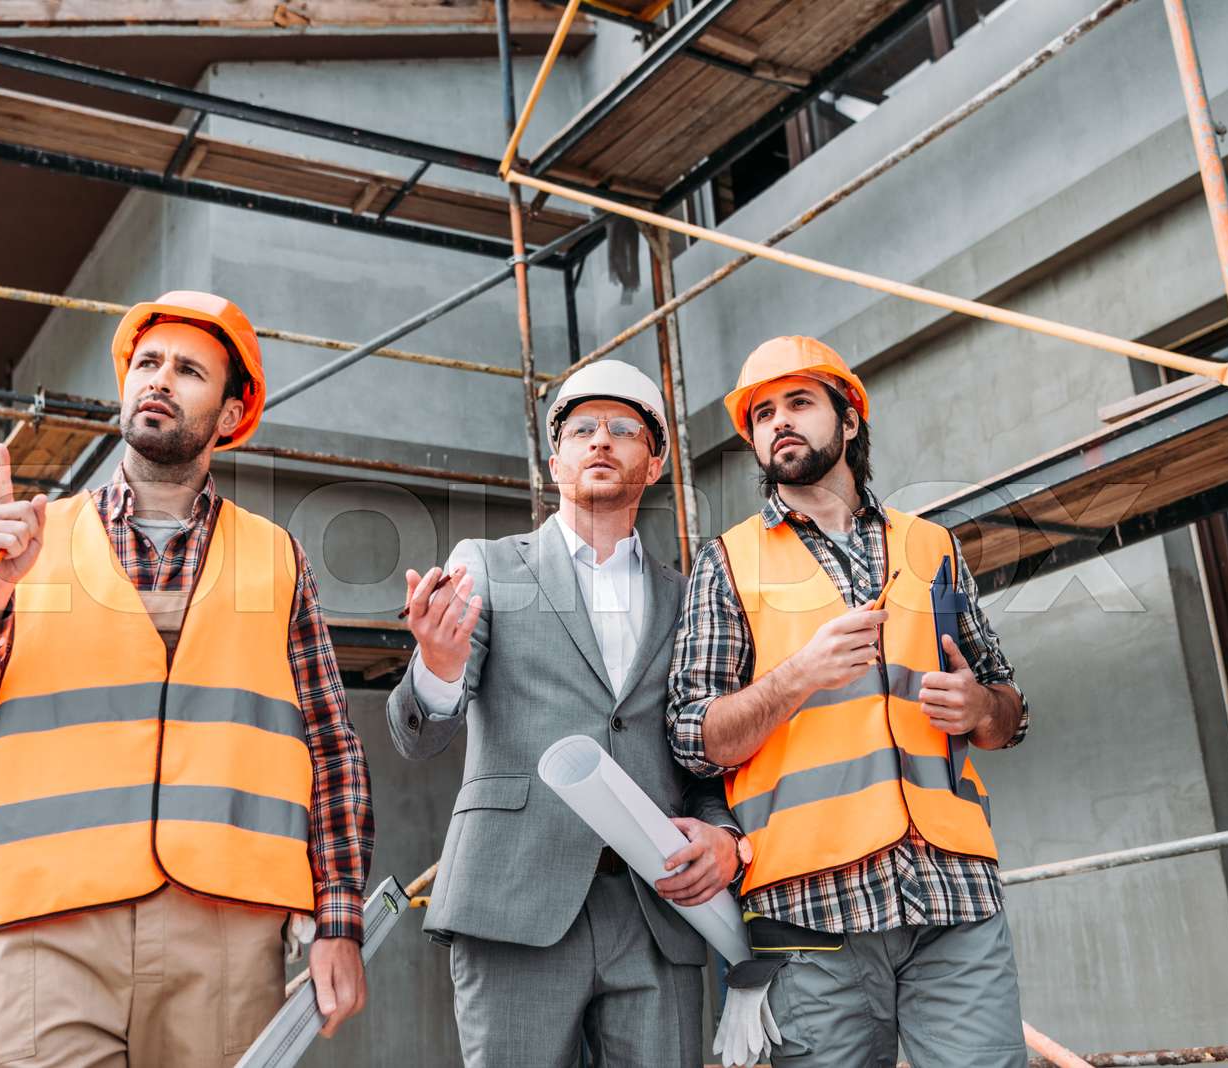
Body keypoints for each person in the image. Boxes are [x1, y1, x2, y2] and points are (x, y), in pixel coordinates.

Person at [0, 291, 373, 1067]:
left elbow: (331, 750)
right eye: (147, 363)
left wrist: (340, 922)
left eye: (189, 370)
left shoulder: (276, 559)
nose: (158, 379)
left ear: (230, 414)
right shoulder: (31, 543)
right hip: (50, 924)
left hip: (224, 932)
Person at [669, 335, 1031, 1068]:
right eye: (762, 413)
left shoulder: (932, 546)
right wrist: (797, 676)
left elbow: (1010, 714)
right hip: (810, 916)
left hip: (952, 893)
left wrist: (981, 708)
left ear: (850, 419)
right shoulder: (727, 562)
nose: (779, 421)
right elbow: (692, 739)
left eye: (799, 402)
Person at [387, 360, 742, 1068]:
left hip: (656, 908)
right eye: (581, 430)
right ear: (556, 464)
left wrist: (727, 837)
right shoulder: (488, 565)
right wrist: (439, 666)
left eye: (623, 430)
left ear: (654, 464)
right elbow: (419, 736)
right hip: (515, 896)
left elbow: (702, 750)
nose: (600, 441)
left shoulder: (690, 597)